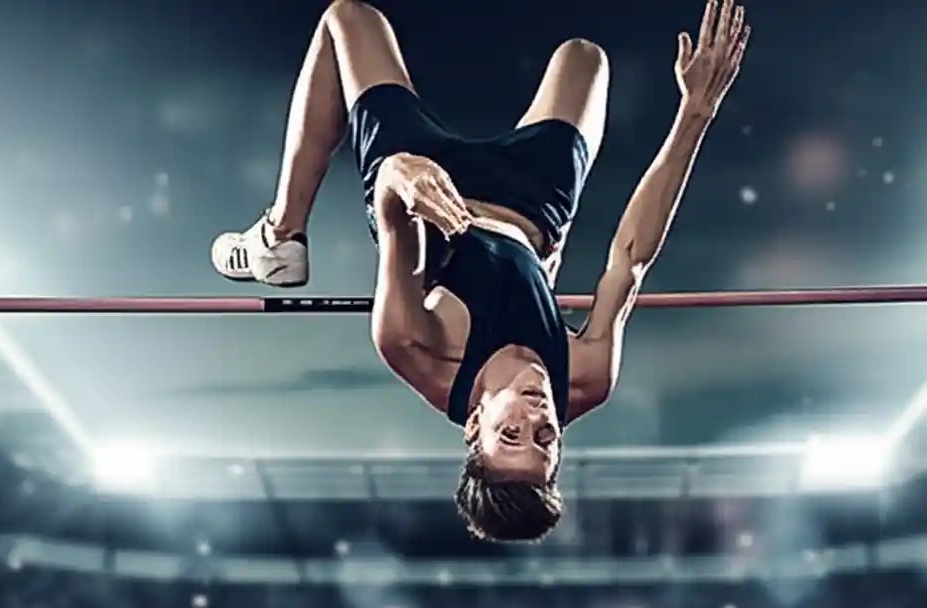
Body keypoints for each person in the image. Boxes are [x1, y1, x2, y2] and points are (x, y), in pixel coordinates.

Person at [212, 0, 749, 542]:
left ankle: (279, 237)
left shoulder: (417, 350)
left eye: (511, 433)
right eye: (547, 441)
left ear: (475, 425)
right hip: (534, 201)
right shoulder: (584, 377)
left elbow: (389, 212)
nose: (539, 419)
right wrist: (696, 113)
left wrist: (405, 173)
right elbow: (630, 258)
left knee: (348, 19)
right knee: (585, 59)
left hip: (426, 196)